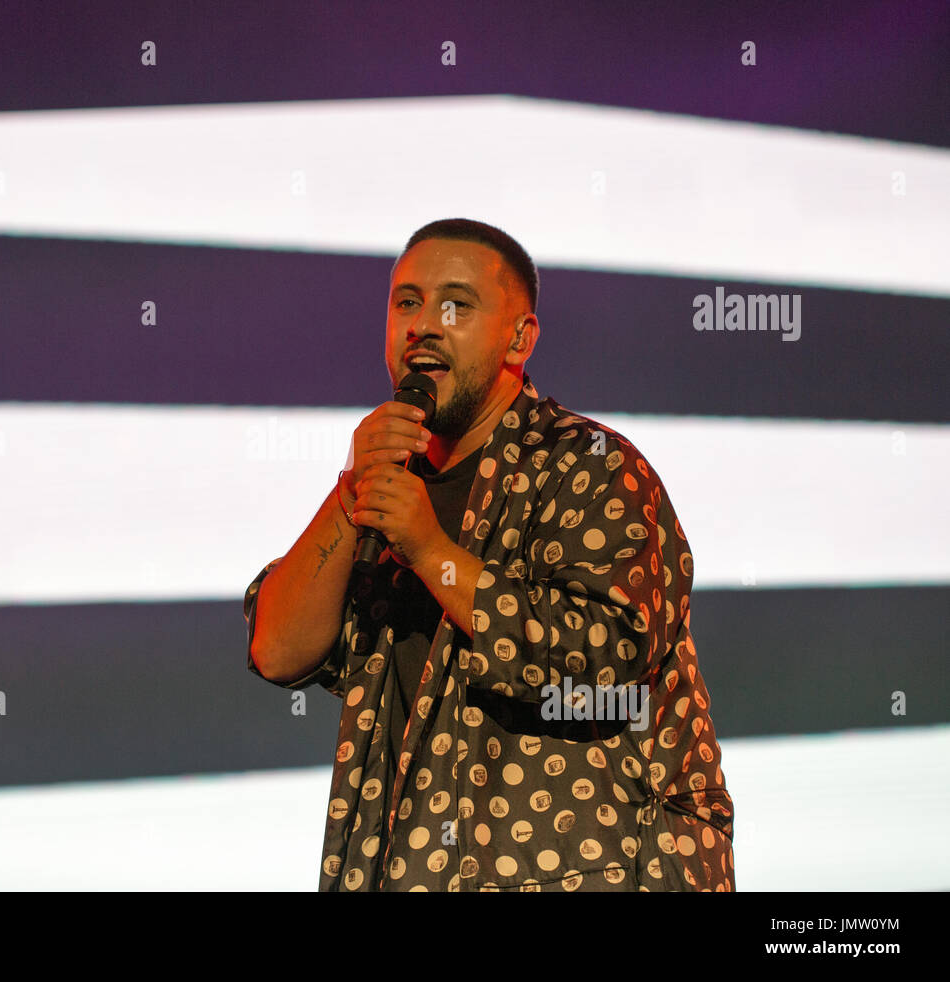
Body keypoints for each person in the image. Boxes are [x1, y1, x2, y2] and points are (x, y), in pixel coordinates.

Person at [244, 218, 734, 892]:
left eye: (457, 305)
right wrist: (351, 486)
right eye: (407, 303)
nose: (423, 326)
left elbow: (604, 666)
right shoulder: (390, 490)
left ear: (519, 338)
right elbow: (277, 648)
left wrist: (429, 549)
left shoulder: (588, 466)